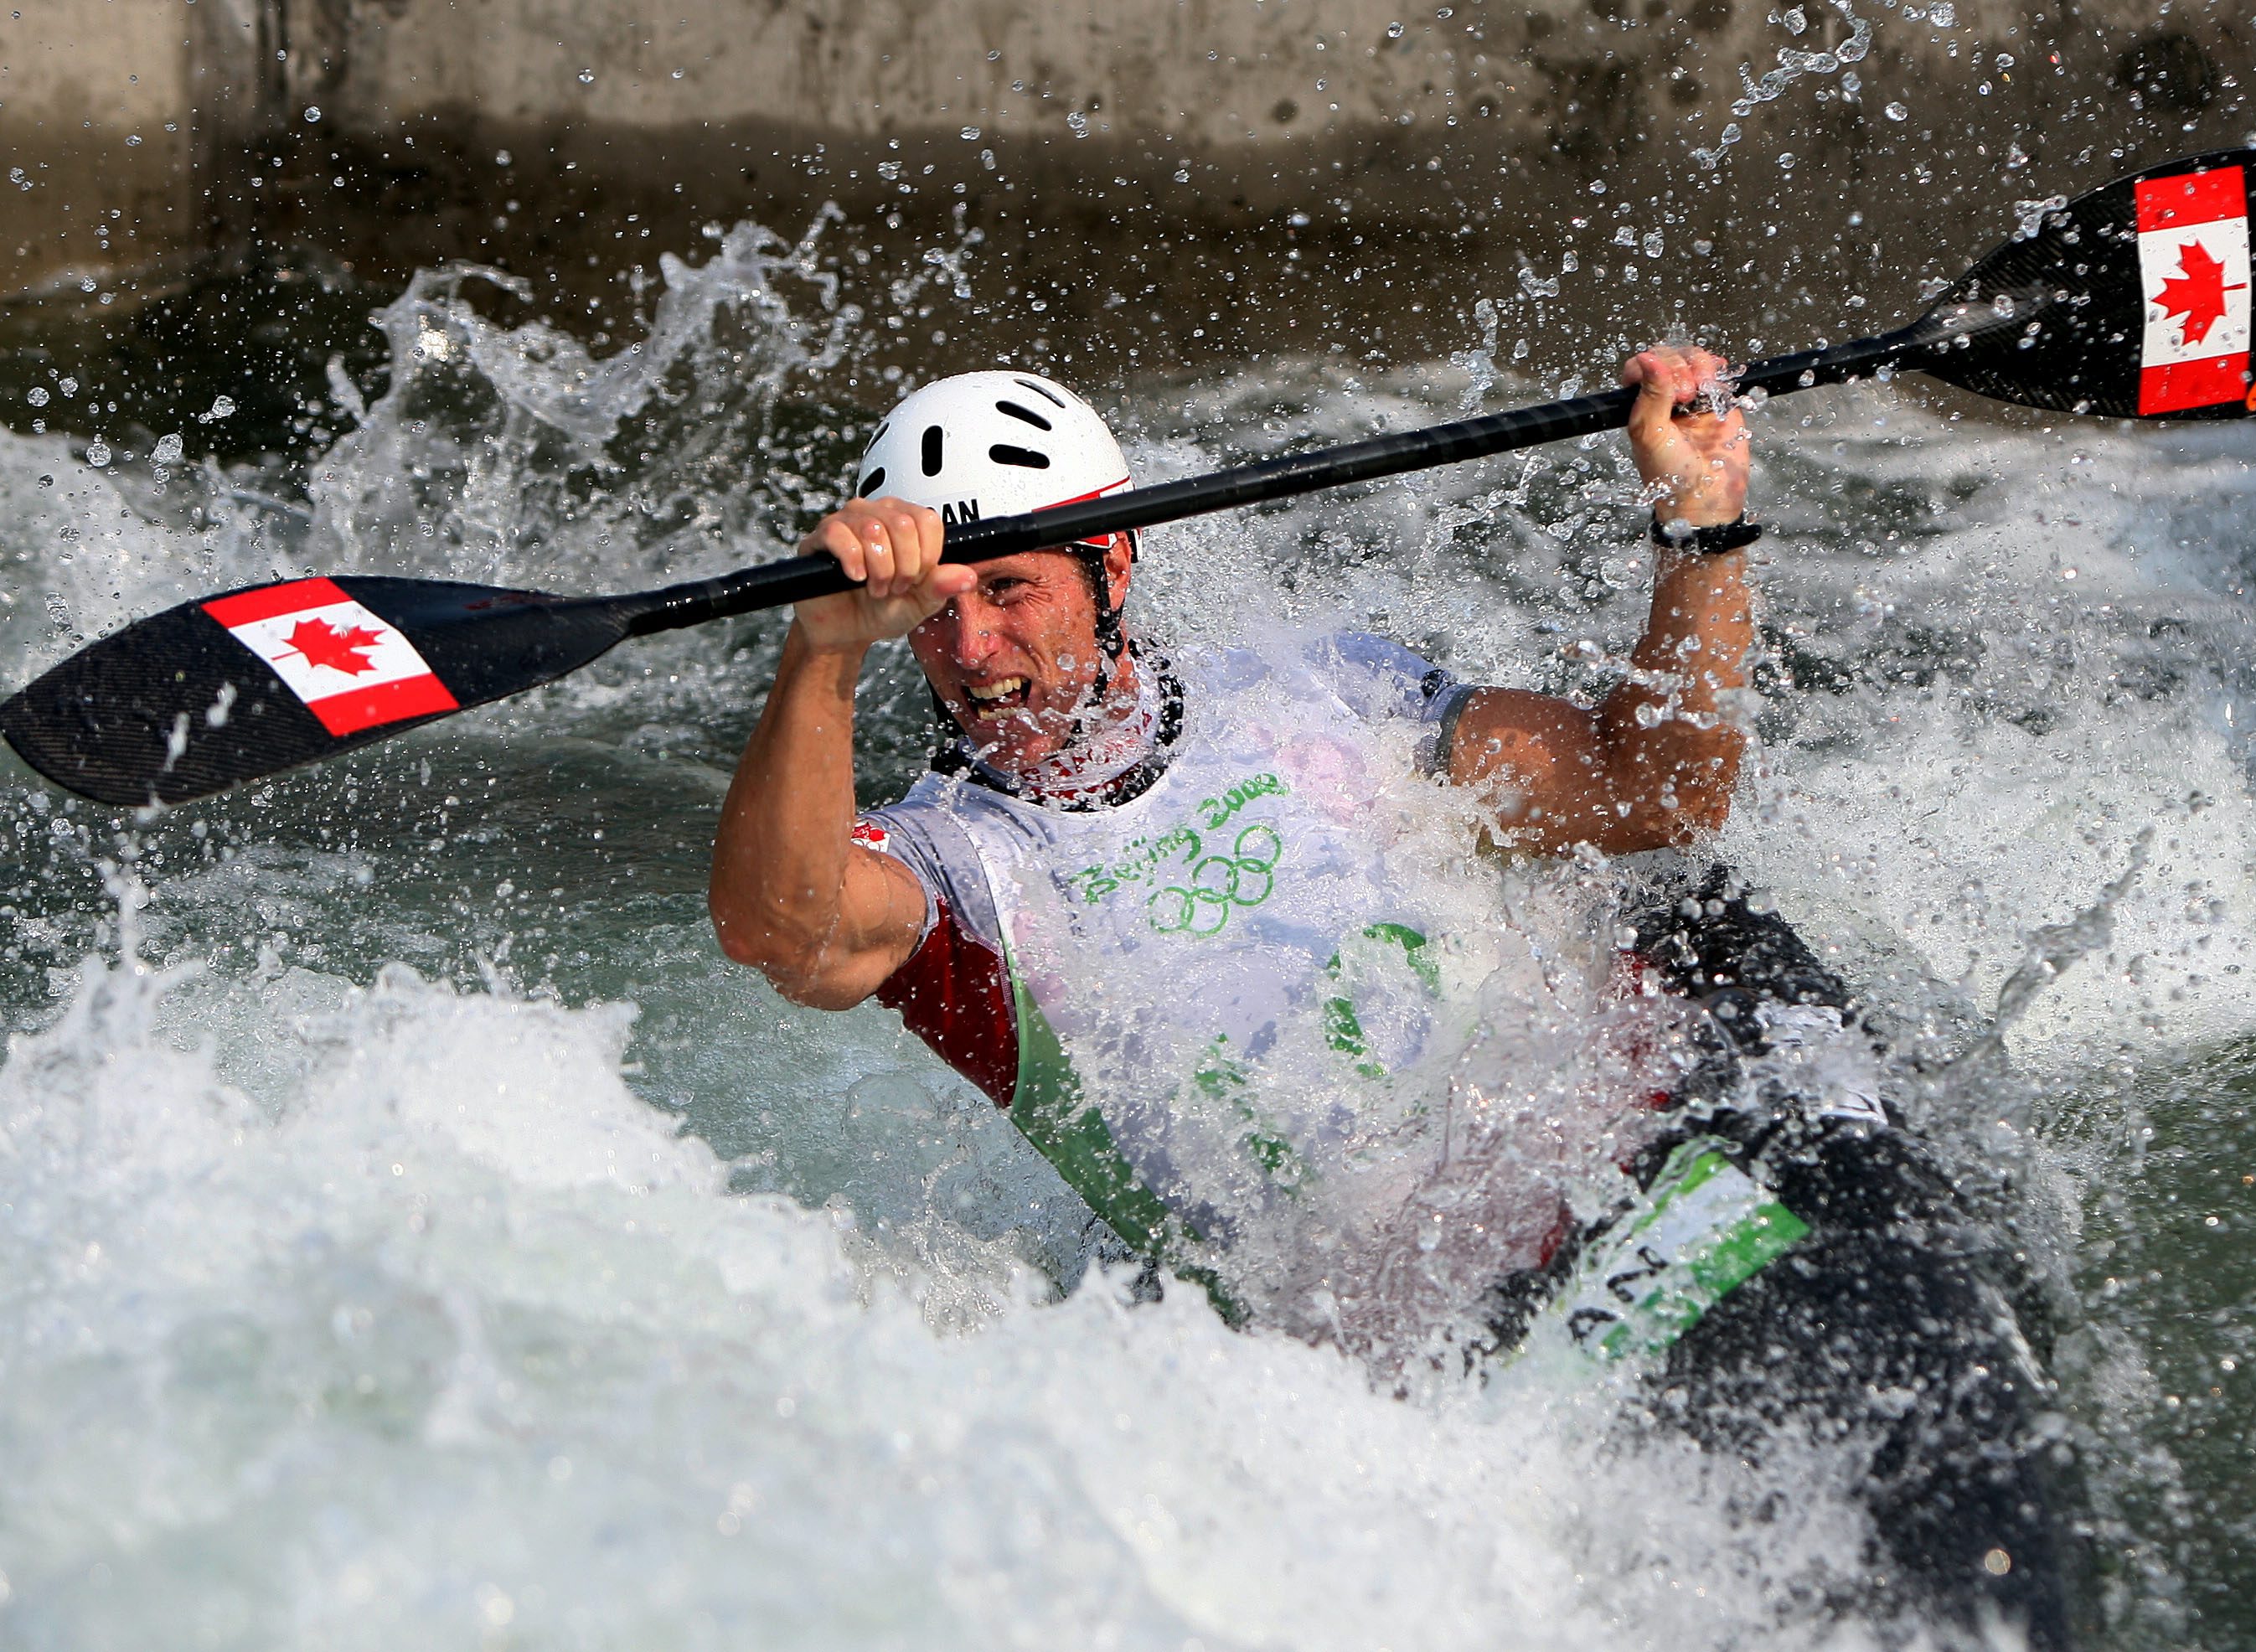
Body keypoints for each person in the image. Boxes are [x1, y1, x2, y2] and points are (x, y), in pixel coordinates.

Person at [709, 357, 2086, 1647]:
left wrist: (1701, 523)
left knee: (1700, 921)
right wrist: (821, 653)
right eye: (932, 614)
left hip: (1653, 1197)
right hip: (1444, 1395)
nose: (975, 645)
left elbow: (1658, 791)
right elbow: (783, 930)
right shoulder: (955, 870)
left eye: (1009, 589)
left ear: (1110, 559)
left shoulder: (1333, 693)